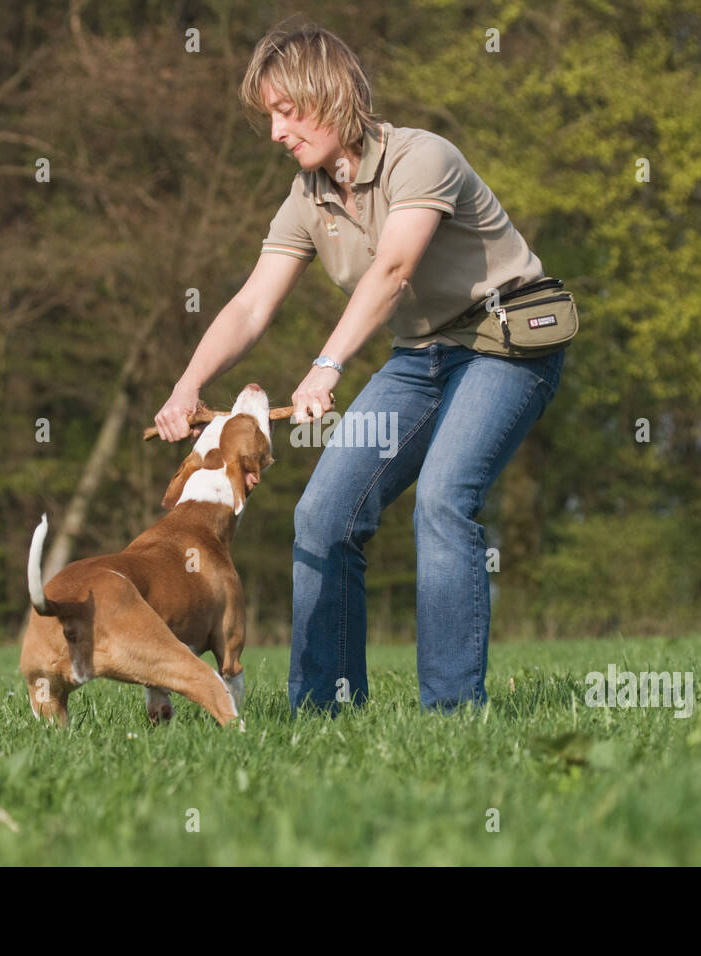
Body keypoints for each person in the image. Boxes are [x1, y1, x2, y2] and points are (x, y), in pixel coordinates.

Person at [153, 21, 565, 716]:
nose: (278, 132)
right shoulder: (307, 197)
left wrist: (326, 365)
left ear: (332, 94)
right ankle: (323, 711)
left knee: (442, 500)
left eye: (288, 111)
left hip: (508, 341)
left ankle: (453, 713)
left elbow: (395, 269)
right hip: (422, 358)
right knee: (322, 516)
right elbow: (253, 304)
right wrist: (187, 384)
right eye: (269, 118)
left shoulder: (420, 157)